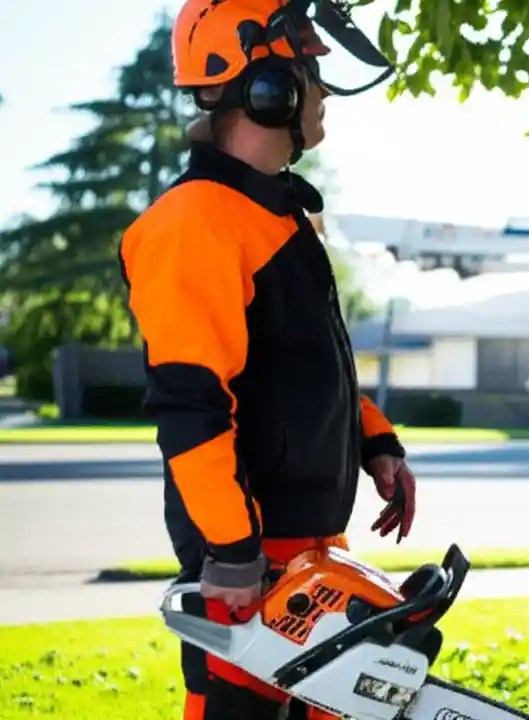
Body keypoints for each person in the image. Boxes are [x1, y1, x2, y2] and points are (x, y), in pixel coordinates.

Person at [118, 1, 414, 717]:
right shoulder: (196, 221)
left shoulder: (271, 215)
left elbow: (302, 368)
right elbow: (191, 402)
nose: (323, 92)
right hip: (254, 548)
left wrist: (376, 442)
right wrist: (231, 549)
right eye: (309, 72)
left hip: (305, 542)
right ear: (268, 90)